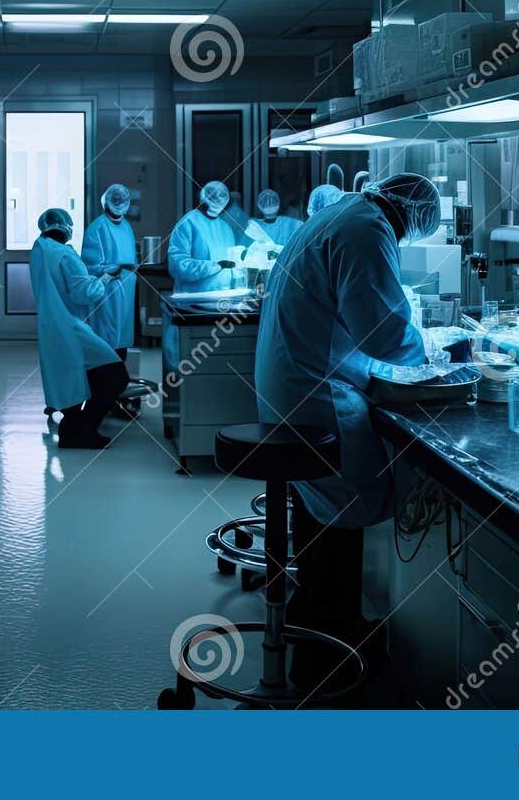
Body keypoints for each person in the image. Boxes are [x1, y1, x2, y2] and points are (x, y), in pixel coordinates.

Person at [253, 172, 441, 688]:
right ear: (415, 218)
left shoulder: (344, 215)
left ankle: (317, 625)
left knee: (323, 511)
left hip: (296, 384)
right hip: (315, 397)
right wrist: (436, 352)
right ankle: (326, 654)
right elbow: (381, 331)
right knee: (344, 505)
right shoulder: (367, 229)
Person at [31, 208, 129, 449]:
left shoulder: (39, 249)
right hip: (70, 325)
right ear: (65, 227)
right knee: (116, 375)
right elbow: (84, 294)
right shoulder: (65, 255)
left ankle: (72, 429)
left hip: (51, 326)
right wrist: (107, 276)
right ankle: (84, 429)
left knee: (71, 377)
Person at [163, 180, 241, 389]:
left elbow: (232, 264)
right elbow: (178, 266)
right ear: (203, 197)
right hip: (192, 306)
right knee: (190, 364)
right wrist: (214, 266)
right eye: (214, 197)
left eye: (222, 198)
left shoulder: (225, 227)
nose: (218, 201)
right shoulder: (188, 223)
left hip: (221, 304)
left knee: (213, 368)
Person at [80, 183, 137, 358]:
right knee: (107, 334)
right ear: (106, 202)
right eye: (117, 200)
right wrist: (115, 268)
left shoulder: (126, 226)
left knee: (123, 334)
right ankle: (106, 376)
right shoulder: (97, 227)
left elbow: (130, 257)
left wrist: (128, 268)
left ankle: (120, 375)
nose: (120, 203)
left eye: (123, 200)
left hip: (127, 287)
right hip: (107, 290)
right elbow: (91, 265)